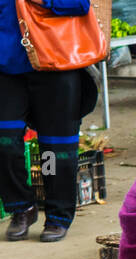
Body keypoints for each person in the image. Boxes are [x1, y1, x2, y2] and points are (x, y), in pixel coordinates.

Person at [0, 0, 100, 242]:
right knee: (4, 141)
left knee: (56, 149)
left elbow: (79, 4)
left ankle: (58, 215)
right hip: (7, 65)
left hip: (56, 60)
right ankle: (21, 207)